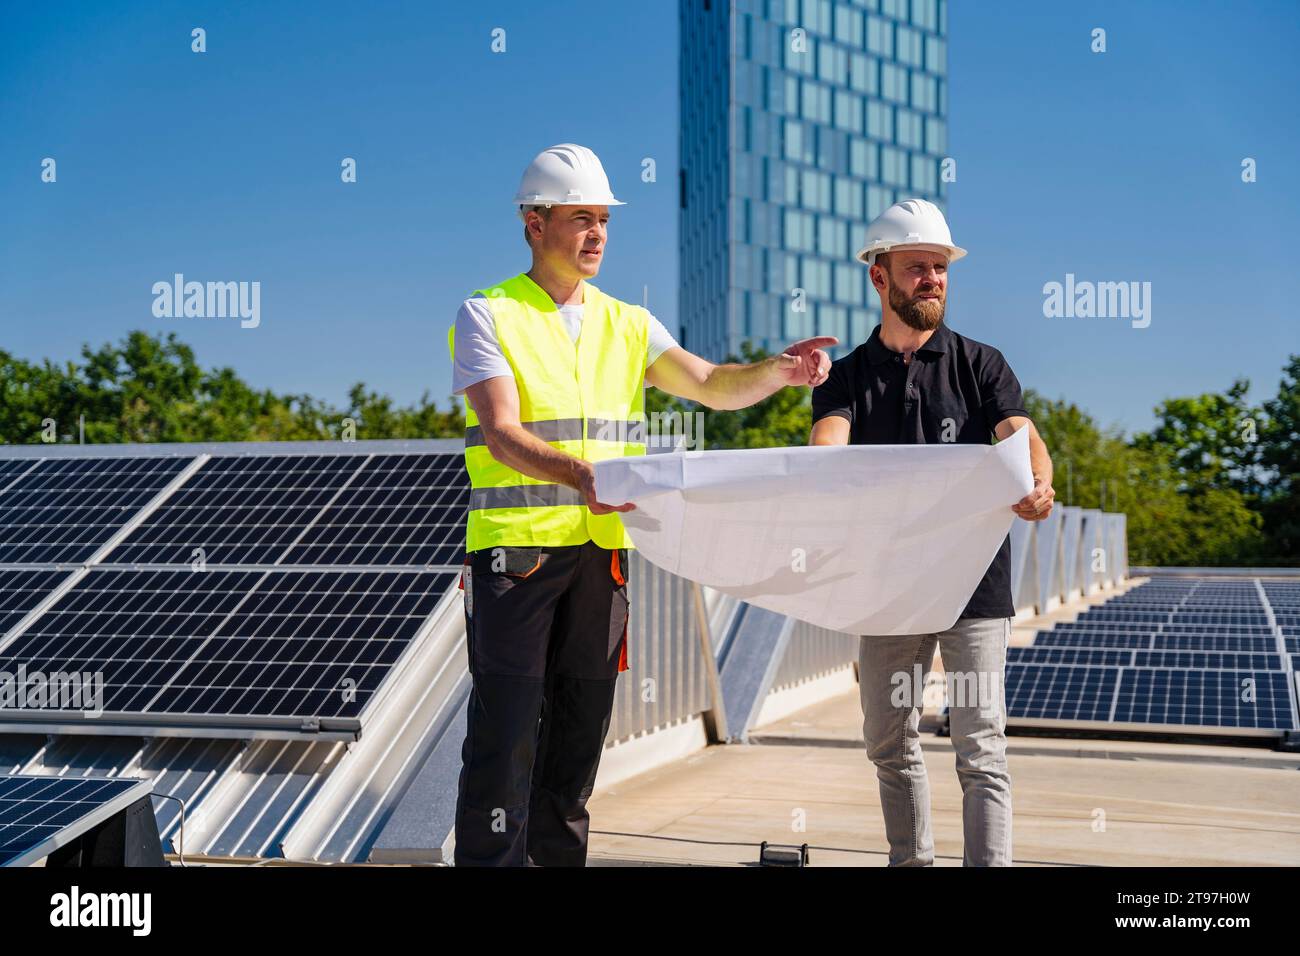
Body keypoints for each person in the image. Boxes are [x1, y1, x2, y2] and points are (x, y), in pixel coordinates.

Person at [449, 143, 836, 866]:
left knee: (578, 741)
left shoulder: (628, 323)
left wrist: (782, 372)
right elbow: (501, 434)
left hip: (602, 562)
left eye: (604, 220)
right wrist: (583, 475)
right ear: (533, 224)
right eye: (579, 219)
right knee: (504, 739)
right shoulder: (488, 314)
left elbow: (713, 383)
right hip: (516, 560)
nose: (597, 234)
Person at [809, 198, 1055, 866]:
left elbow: (1020, 436)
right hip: (888, 594)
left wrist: (1039, 481)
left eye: (941, 267)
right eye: (918, 266)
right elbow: (826, 450)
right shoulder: (846, 379)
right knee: (889, 744)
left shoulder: (981, 364)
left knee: (982, 750)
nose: (933, 279)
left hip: (974, 587)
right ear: (878, 277)